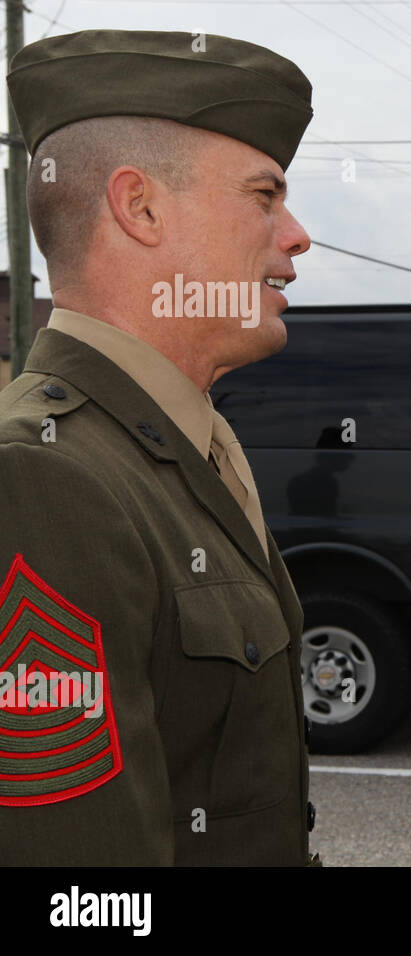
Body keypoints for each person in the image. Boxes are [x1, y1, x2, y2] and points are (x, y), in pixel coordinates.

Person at [0, 30, 316, 865]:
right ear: (139, 207)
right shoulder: (48, 472)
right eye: (264, 196)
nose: (297, 236)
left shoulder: (180, 442)